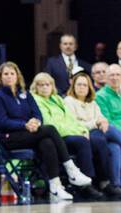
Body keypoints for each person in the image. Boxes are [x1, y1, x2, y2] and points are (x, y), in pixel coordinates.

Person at [0, 62, 95, 202]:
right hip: (9, 137)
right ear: (0, 77)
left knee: (47, 142)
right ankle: (71, 169)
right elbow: (1, 121)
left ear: (17, 76)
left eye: (12, 74)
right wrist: (25, 125)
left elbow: (37, 114)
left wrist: (36, 122)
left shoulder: (24, 94)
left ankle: (56, 186)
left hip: (28, 133)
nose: (9, 77)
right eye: (5, 74)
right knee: (50, 129)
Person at [65, 70, 121, 199]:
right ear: (73, 86)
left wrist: (102, 121)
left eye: (84, 85)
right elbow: (74, 123)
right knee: (108, 130)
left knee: (114, 147)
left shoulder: (92, 102)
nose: (82, 88)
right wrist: (97, 122)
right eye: (79, 85)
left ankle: (115, 184)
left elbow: (101, 117)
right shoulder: (69, 101)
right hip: (82, 135)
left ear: (89, 88)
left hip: (96, 132)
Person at [29, 72, 103, 200]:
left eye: (48, 84)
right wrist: (76, 132)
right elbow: (49, 123)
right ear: (36, 87)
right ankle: (84, 186)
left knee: (91, 139)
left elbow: (71, 119)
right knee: (81, 142)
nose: (45, 87)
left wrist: (82, 130)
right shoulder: (36, 100)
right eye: (41, 85)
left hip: (68, 132)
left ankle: (92, 181)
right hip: (55, 136)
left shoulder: (57, 98)